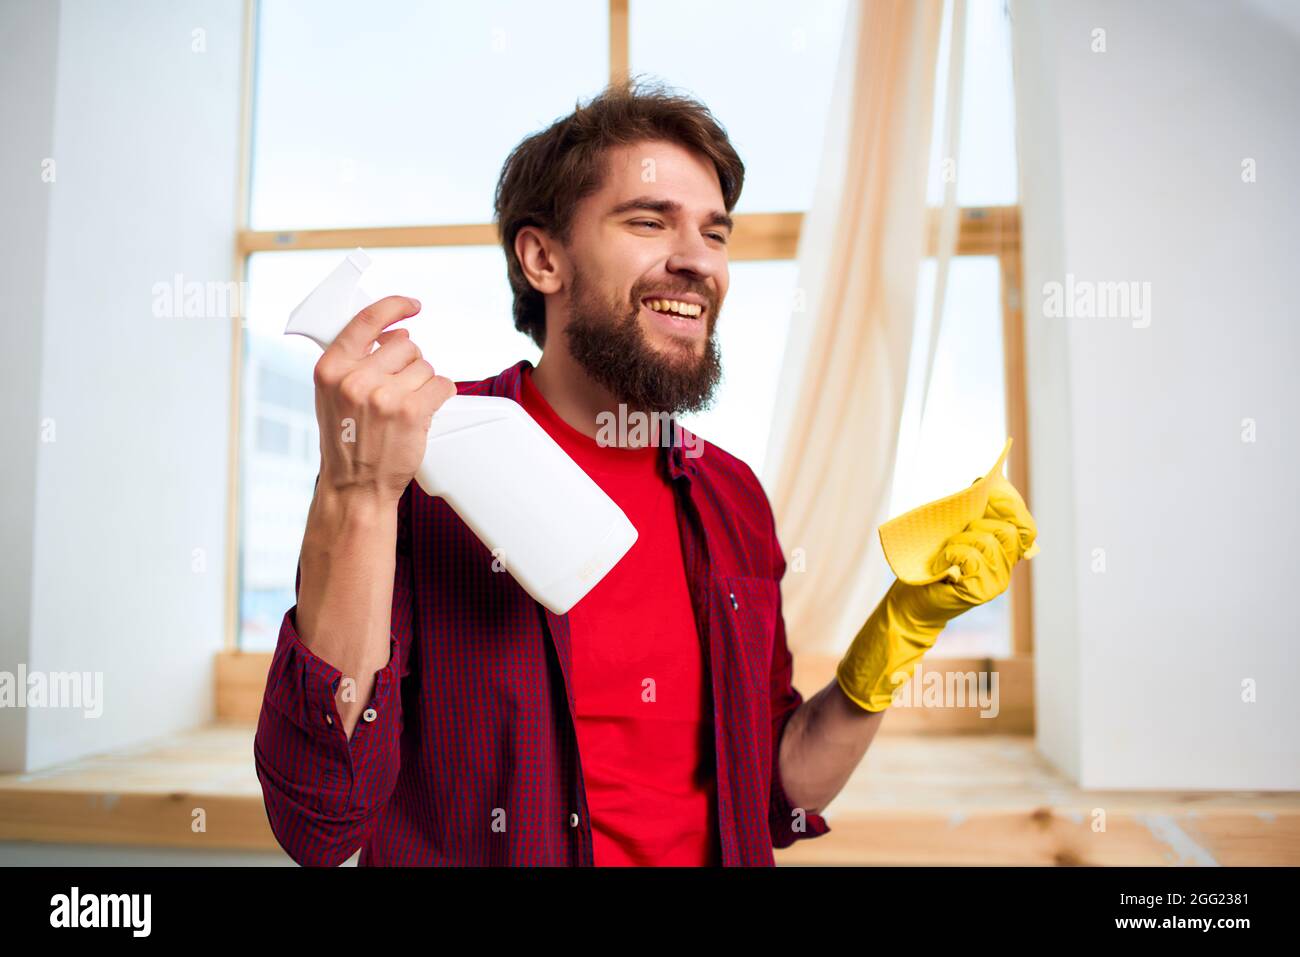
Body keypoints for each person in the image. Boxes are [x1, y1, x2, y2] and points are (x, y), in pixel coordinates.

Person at [254, 77, 1037, 867]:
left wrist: (903, 629)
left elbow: (772, 793)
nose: (698, 262)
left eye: (716, 233)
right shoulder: (416, 474)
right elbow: (319, 820)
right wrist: (356, 496)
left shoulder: (731, 498)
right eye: (648, 220)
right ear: (543, 257)